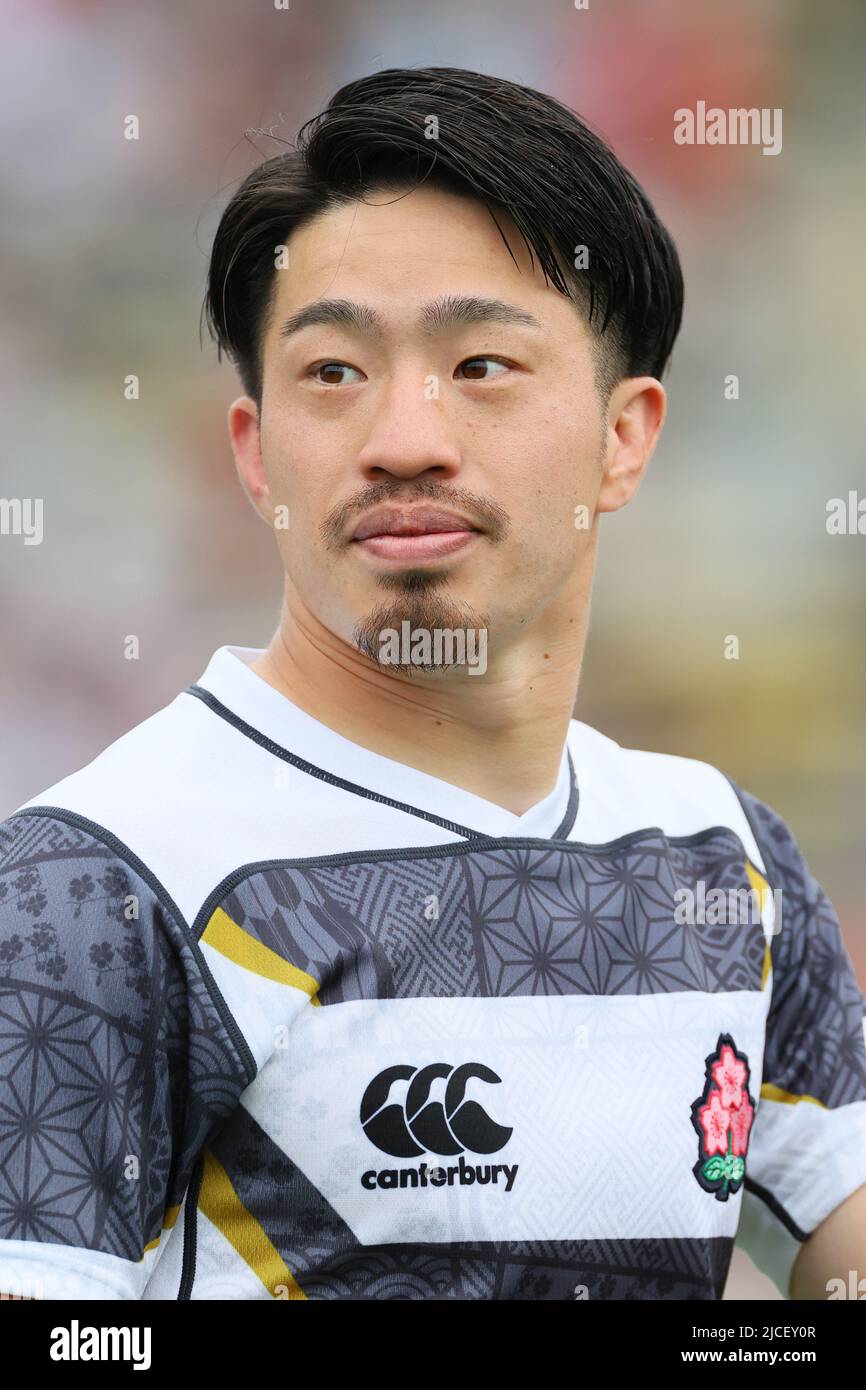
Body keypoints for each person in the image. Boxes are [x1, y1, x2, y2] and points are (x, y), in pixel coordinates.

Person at [1, 66, 864, 1302]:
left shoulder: (722, 861)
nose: (403, 437)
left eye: (479, 364)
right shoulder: (93, 886)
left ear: (624, 436)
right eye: (334, 373)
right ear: (253, 453)